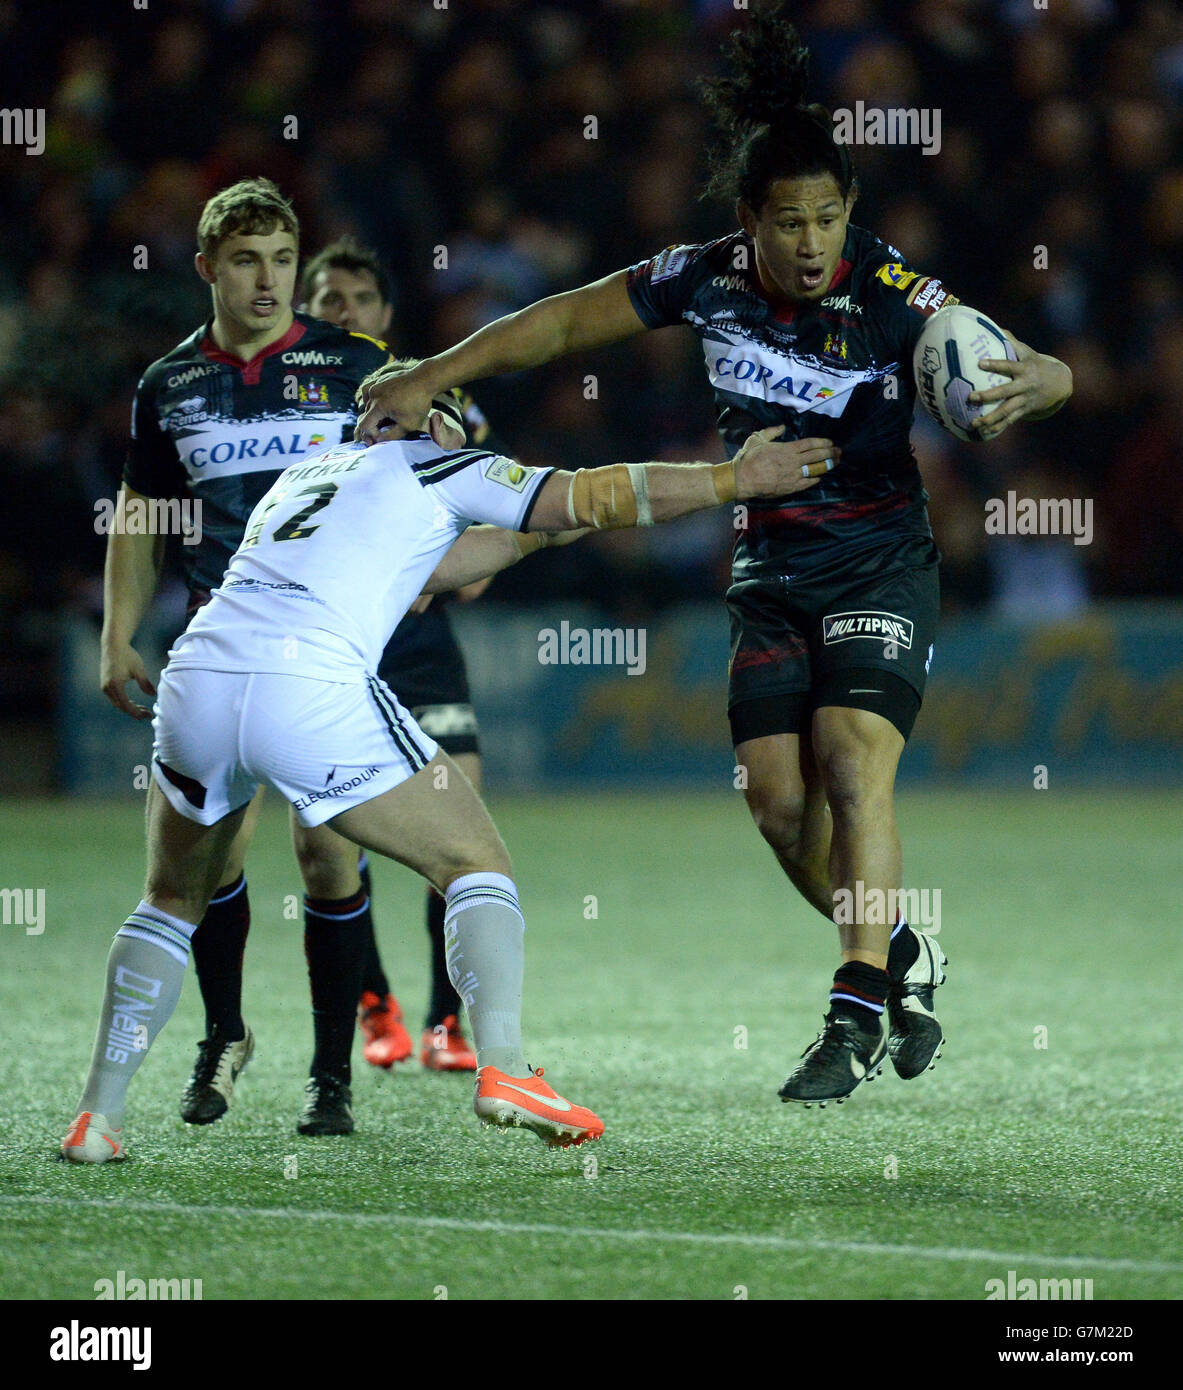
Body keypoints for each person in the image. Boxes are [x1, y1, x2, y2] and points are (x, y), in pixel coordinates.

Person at [355, 4, 1073, 1107]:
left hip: (879, 562)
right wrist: (426, 372)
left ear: (850, 213)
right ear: (750, 220)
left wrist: (1051, 378)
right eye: (788, 220)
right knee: (779, 807)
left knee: (849, 752)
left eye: (828, 217)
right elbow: (556, 323)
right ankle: (900, 956)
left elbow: (998, 354)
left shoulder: (893, 299)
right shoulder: (705, 277)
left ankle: (849, 1013)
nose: (809, 241)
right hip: (768, 574)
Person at [61, 379, 837, 1162]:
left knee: (168, 900)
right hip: (305, 690)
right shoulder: (434, 464)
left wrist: (548, 526)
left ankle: (99, 1116)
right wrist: (733, 479)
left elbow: (452, 561)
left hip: (201, 676)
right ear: (426, 421)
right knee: (474, 862)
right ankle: (502, 1066)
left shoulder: (309, 476)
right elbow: (595, 494)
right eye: (453, 415)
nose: (462, 429)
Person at [102, 177, 400, 1136]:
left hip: (329, 648)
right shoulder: (169, 387)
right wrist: (117, 631)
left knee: (325, 855)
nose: (269, 280)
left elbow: (420, 473)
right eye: (246, 261)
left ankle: (331, 1077)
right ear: (207, 270)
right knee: (205, 862)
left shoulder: (357, 365)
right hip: (214, 652)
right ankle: (226, 1032)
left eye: (281, 259)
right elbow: (142, 513)